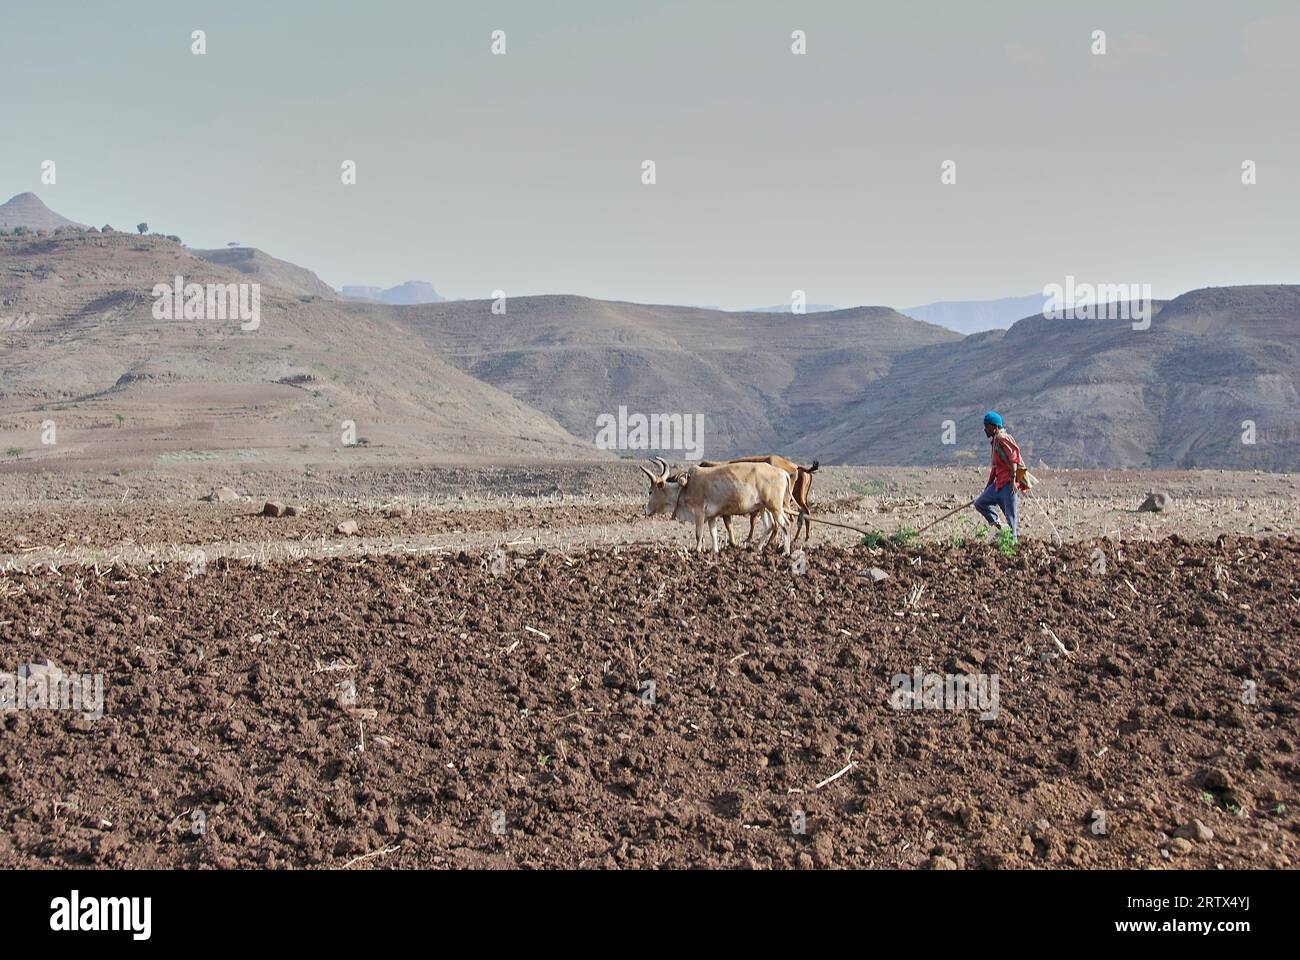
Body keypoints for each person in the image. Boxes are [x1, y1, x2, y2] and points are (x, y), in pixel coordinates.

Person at [974, 410, 1025, 541]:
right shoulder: (995, 441)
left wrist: (1013, 480)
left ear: (995, 427)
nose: (985, 430)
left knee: (1011, 520)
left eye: (987, 427)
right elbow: (995, 469)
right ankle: (1000, 526)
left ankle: (1012, 545)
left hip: (1008, 485)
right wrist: (987, 487)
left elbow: (1014, 460)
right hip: (998, 485)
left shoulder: (1003, 438)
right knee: (980, 503)